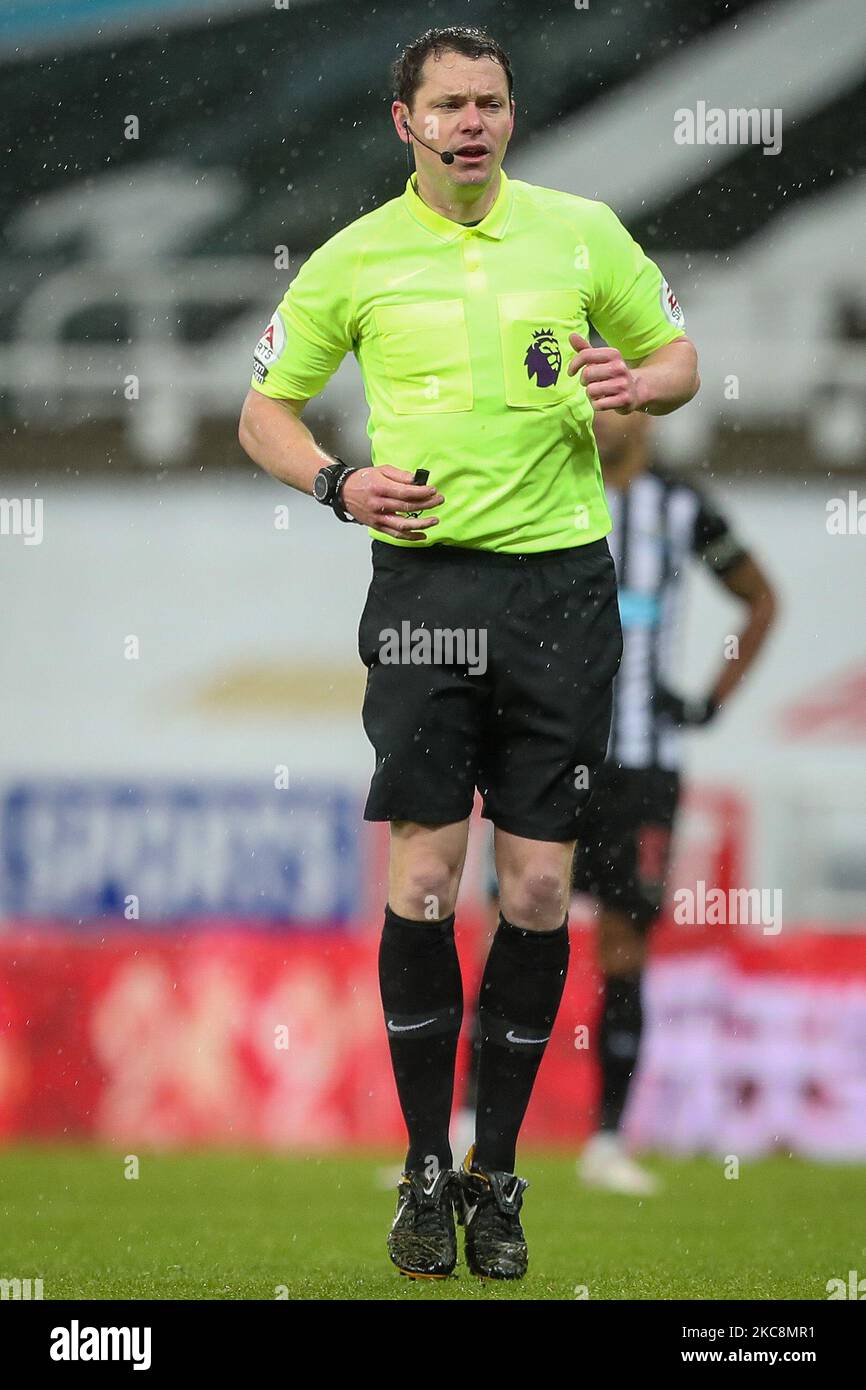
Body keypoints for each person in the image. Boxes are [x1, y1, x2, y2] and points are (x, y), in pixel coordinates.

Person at [237, 25, 699, 1281]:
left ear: (509, 115)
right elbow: (260, 409)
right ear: (404, 123)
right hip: (428, 587)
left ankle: (498, 1179)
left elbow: (677, 355)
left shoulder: (579, 231)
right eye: (447, 104)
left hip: (560, 592)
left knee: (541, 892)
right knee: (427, 880)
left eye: (489, 102)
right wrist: (338, 483)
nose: (471, 122)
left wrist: (643, 387)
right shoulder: (355, 258)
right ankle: (422, 1169)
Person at [464, 407, 777, 1194]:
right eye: (592, 398)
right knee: (510, 930)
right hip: (543, 756)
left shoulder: (681, 509)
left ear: (648, 413)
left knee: (624, 946)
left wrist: (709, 701)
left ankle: (607, 1142)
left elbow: (760, 599)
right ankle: (466, 1131)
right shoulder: (541, 493)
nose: (603, 414)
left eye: (618, 399)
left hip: (642, 767)